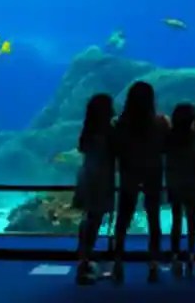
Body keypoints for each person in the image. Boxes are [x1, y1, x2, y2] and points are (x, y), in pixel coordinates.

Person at [110, 81, 170, 283]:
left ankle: (118, 258)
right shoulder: (160, 123)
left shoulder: (120, 123)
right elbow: (165, 148)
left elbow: (115, 149)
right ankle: (153, 261)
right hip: (152, 171)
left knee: (124, 216)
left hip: (129, 172)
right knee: (154, 217)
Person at [72, 93, 117, 285]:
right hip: (100, 179)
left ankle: (84, 258)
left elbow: (83, 150)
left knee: (89, 218)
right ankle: (85, 260)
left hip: (86, 176)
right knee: (94, 219)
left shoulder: (88, 131)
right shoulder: (108, 131)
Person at [165, 102, 195, 276]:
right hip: (193, 183)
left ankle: (175, 254)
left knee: (176, 218)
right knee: (192, 219)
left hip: (174, 182)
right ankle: (192, 253)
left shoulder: (170, 137)